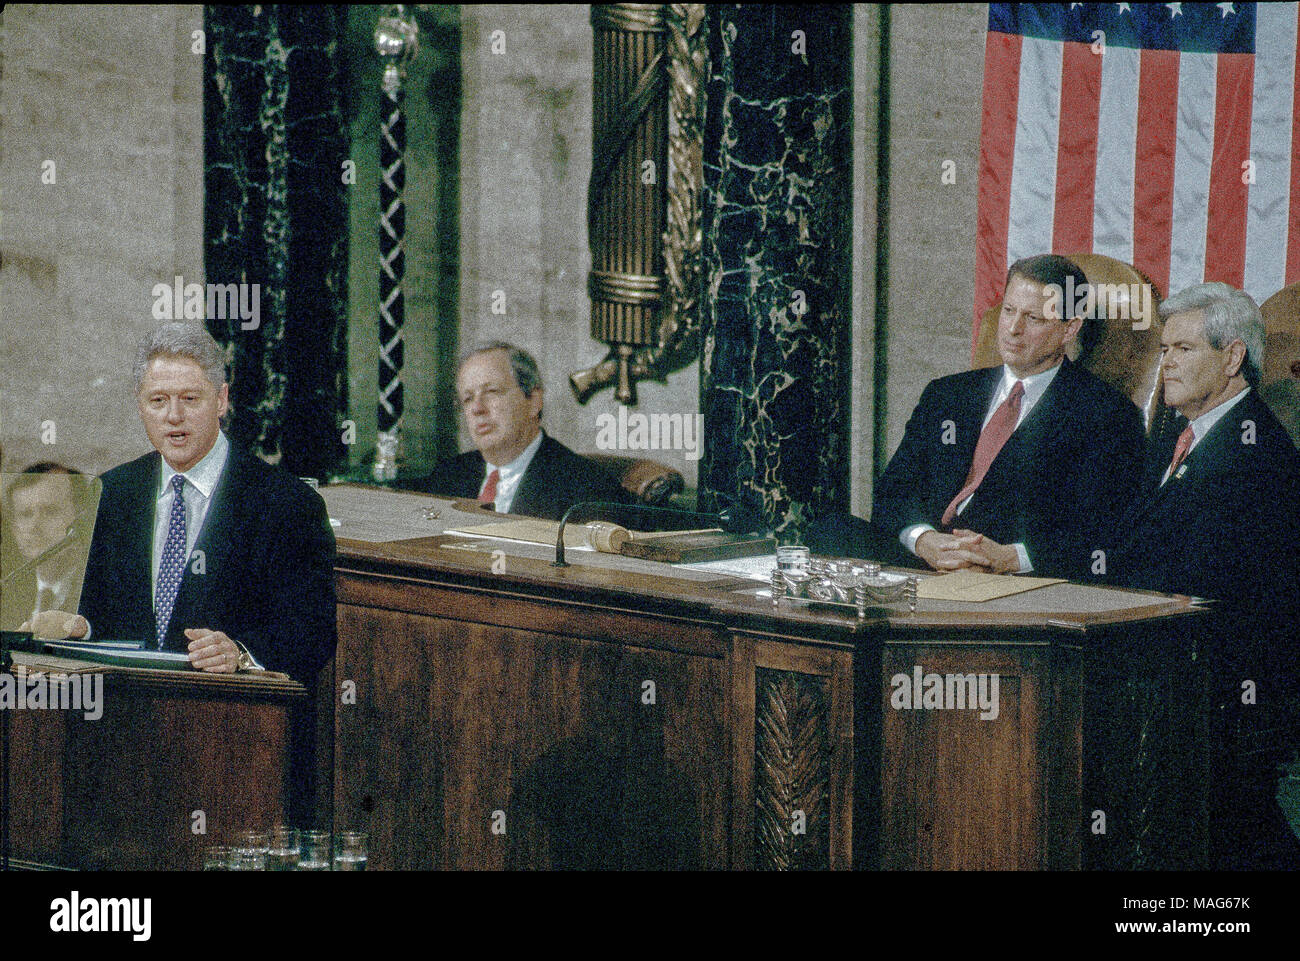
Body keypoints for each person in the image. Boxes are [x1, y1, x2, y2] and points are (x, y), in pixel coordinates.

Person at [1103, 283, 1300, 869]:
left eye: (1184, 349)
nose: (1166, 363)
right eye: (1164, 348)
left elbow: (1211, 592)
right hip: (1169, 660)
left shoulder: (1256, 455)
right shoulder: (1179, 433)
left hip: (1216, 692)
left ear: (1233, 357)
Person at [25, 323, 337, 680]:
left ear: (221, 400)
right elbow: (101, 614)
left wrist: (241, 654)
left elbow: (314, 632)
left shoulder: (287, 504)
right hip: (123, 714)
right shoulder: (112, 492)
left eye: (190, 399)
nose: (174, 416)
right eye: (158, 400)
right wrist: (82, 628)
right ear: (140, 405)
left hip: (231, 717)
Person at [821, 254, 1145, 580]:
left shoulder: (1107, 416)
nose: (1013, 329)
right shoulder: (947, 394)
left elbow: (1102, 531)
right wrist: (924, 540)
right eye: (1008, 311)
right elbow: (893, 493)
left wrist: (1010, 558)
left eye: (1033, 318)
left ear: (1069, 329)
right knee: (830, 530)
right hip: (924, 562)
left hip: (1007, 579)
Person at [424, 342, 630, 520]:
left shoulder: (587, 489)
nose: (477, 408)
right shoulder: (446, 477)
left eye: (492, 392)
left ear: (533, 400)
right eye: (468, 398)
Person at [1, 464, 93, 631]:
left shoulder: (100, 589)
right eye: (25, 514)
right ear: (14, 530)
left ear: (83, 521)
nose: (34, 526)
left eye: (50, 511)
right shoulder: (8, 594)